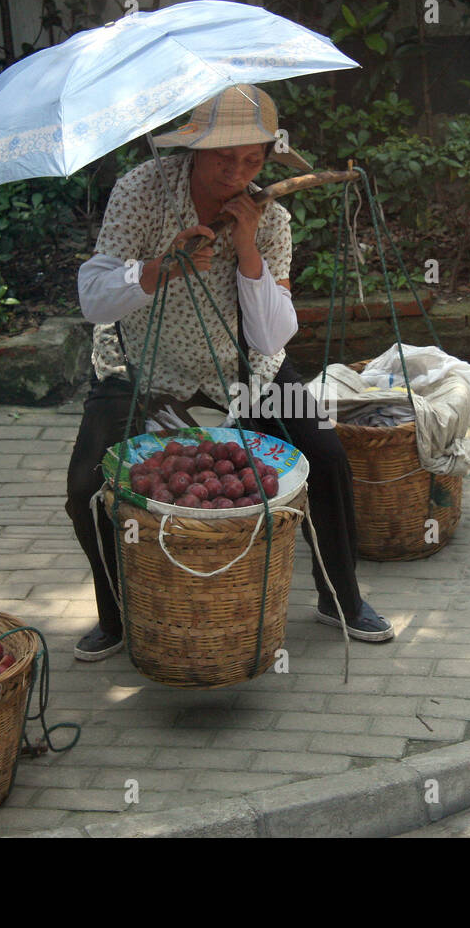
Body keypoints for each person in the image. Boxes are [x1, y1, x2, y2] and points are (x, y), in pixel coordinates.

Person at [65, 83, 394, 661]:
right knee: (85, 488)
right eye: (224, 158)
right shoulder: (139, 192)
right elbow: (93, 296)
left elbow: (272, 336)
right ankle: (116, 613)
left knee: (326, 458)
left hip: (243, 365)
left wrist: (247, 248)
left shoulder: (270, 218)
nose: (237, 173)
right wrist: (162, 268)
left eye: (252, 159)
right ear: (194, 150)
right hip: (144, 362)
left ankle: (339, 595)